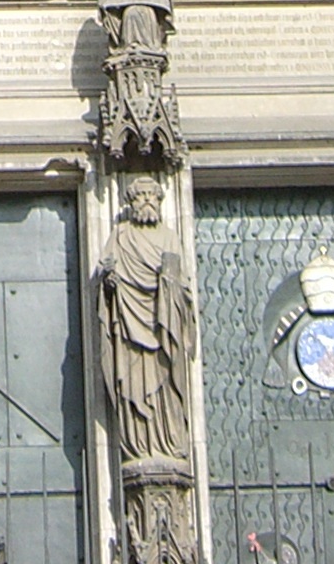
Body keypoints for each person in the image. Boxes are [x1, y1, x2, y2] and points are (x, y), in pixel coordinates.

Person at [98, 179, 195, 461]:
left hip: (163, 327)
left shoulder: (169, 237)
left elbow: (184, 286)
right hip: (130, 326)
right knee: (134, 381)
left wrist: (171, 285)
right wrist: (109, 281)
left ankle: (169, 440)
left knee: (167, 381)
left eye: (153, 196)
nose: (148, 201)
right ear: (131, 203)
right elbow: (106, 277)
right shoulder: (120, 236)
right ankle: (139, 442)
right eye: (141, 196)